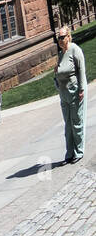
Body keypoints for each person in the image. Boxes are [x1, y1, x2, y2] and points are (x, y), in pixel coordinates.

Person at [54, 26, 86, 164]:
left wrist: (82, 89)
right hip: (64, 95)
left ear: (68, 36)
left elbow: (81, 70)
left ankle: (79, 151)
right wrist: (56, 79)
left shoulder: (75, 50)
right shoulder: (61, 54)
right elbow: (58, 73)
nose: (60, 40)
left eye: (62, 37)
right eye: (58, 37)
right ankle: (69, 153)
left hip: (75, 92)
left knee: (77, 123)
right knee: (68, 125)